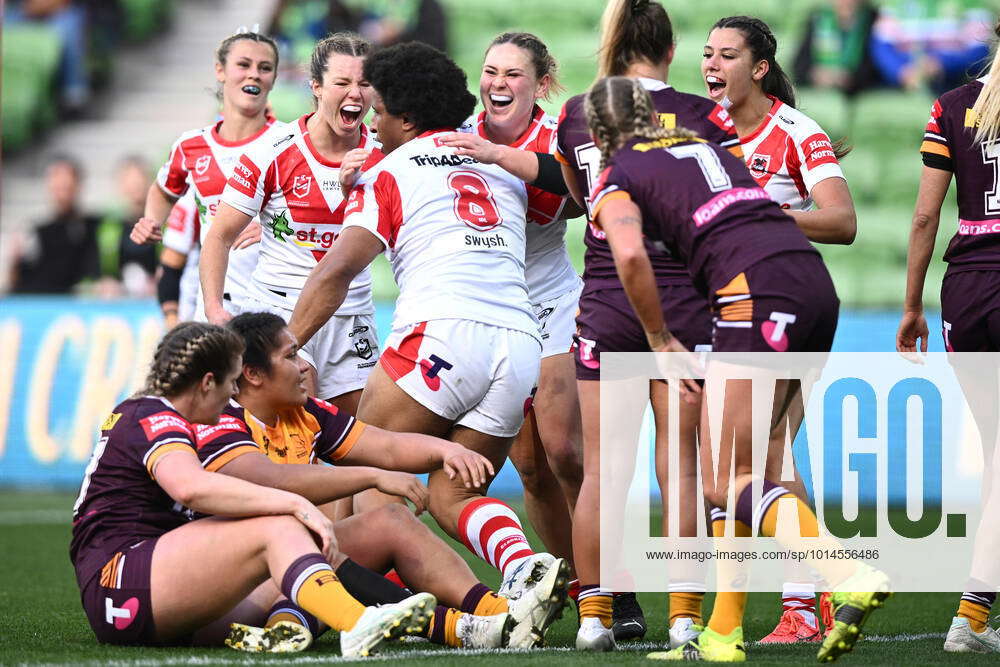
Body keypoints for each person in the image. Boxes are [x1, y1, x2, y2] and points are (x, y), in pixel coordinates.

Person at [582, 75, 890, 664]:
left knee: (725, 481)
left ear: (599, 134)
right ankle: (722, 634)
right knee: (753, 465)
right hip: (811, 285)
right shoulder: (709, 148)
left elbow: (627, 254)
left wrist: (658, 338)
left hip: (756, 294)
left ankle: (844, 570)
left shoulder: (618, 174)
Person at [286, 41, 570, 646]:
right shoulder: (499, 163)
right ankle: (522, 567)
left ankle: (353, 610)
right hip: (521, 345)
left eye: (378, 111)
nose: (370, 122)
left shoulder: (390, 172)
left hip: (442, 334)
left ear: (405, 118)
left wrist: (282, 345)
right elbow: (568, 196)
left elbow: (336, 273)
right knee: (453, 491)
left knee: (353, 463)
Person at [541, 0, 739, 650]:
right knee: (679, 468)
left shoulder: (577, 112)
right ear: (671, 48)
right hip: (682, 297)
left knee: (602, 469)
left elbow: (576, 196)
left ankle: (595, 617)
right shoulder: (704, 112)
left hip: (606, 297)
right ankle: (684, 614)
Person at [192, 311, 568, 650]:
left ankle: (500, 613)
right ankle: (463, 629)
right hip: (216, 593)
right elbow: (275, 479)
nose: (304, 366)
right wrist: (374, 477)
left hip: (286, 566)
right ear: (253, 375)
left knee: (390, 522)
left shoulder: (303, 412)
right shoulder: (220, 418)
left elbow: (385, 446)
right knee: (315, 550)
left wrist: (444, 452)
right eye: (290, 356)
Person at [69, 321, 434, 656]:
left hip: (151, 594)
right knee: (278, 526)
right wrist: (294, 504)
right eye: (230, 383)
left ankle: (411, 618)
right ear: (208, 382)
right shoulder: (153, 415)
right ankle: (357, 622)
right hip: (119, 585)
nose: (233, 395)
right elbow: (190, 488)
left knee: (287, 563)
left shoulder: (159, 415)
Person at [702, 15, 858, 642]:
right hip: (726, 304)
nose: (712, 66)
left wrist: (762, 213)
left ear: (758, 68)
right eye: (707, 54)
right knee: (759, 456)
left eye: (727, 55)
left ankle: (800, 602)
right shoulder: (701, 132)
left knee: (754, 454)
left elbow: (842, 220)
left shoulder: (795, 131)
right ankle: (796, 605)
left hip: (784, 299)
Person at [451, 31, 584, 593]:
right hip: (489, 306)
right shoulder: (455, 135)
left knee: (564, 453)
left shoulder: (562, 137)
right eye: (490, 71)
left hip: (552, 301)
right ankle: (578, 583)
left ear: (541, 85)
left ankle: (613, 584)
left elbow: (585, 192)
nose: (497, 84)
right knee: (527, 466)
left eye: (513, 75)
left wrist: (501, 157)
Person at [204, 32, 379, 412]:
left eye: (365, 83)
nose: (355, 93)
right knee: (300, 441)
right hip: (281, 310)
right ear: (316, 86)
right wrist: (215, 311)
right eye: (342, 83)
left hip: (353, 317)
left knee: (361, 448)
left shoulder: (386, 154)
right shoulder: (272, 150)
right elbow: (218, 236)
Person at [896, 20, 1000, 654]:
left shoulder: (953, 107)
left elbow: (925, 215)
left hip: (968, 288)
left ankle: (978, 612)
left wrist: (911, 305)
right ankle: (973, 614)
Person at [129, 30, 281, 321]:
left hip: (274, 305)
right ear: (220, 70)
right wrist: (151, 220)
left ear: (274, 79)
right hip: (213, 308)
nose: (254, 75)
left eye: (265, 68)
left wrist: (276, 230)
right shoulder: (191, 146)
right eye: (244, 65)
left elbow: (318, 215)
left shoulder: (289, 142)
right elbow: (163, 191)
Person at [10, 154, 102, 294]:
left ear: (78, 185)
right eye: (57, 185)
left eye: (67, 186)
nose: (62, 191)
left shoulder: (95, 227)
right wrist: (15, 262)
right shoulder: (36, 232)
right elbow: (18, 282)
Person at [870, 0, 992, 96]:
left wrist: (941, 64)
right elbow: (882, 47)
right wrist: (901, 72)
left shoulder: (971, 3)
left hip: (952, 80)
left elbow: (981, 52)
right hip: (903, 81)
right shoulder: (895, 4)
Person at [96, 156, 159, 298]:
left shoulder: (165, 225)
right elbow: (99, 271)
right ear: (121, 185)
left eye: (140, 179)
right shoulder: (108, 228)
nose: (136, 185)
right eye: (129, 180)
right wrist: (105, 282)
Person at [792, 0, 880, 98]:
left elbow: (876, 67)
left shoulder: (874, 19)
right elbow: (799, 66)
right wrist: (817, 76)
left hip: (858, 90)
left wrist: (847, 79)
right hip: (822, 90)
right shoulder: (818, 18)